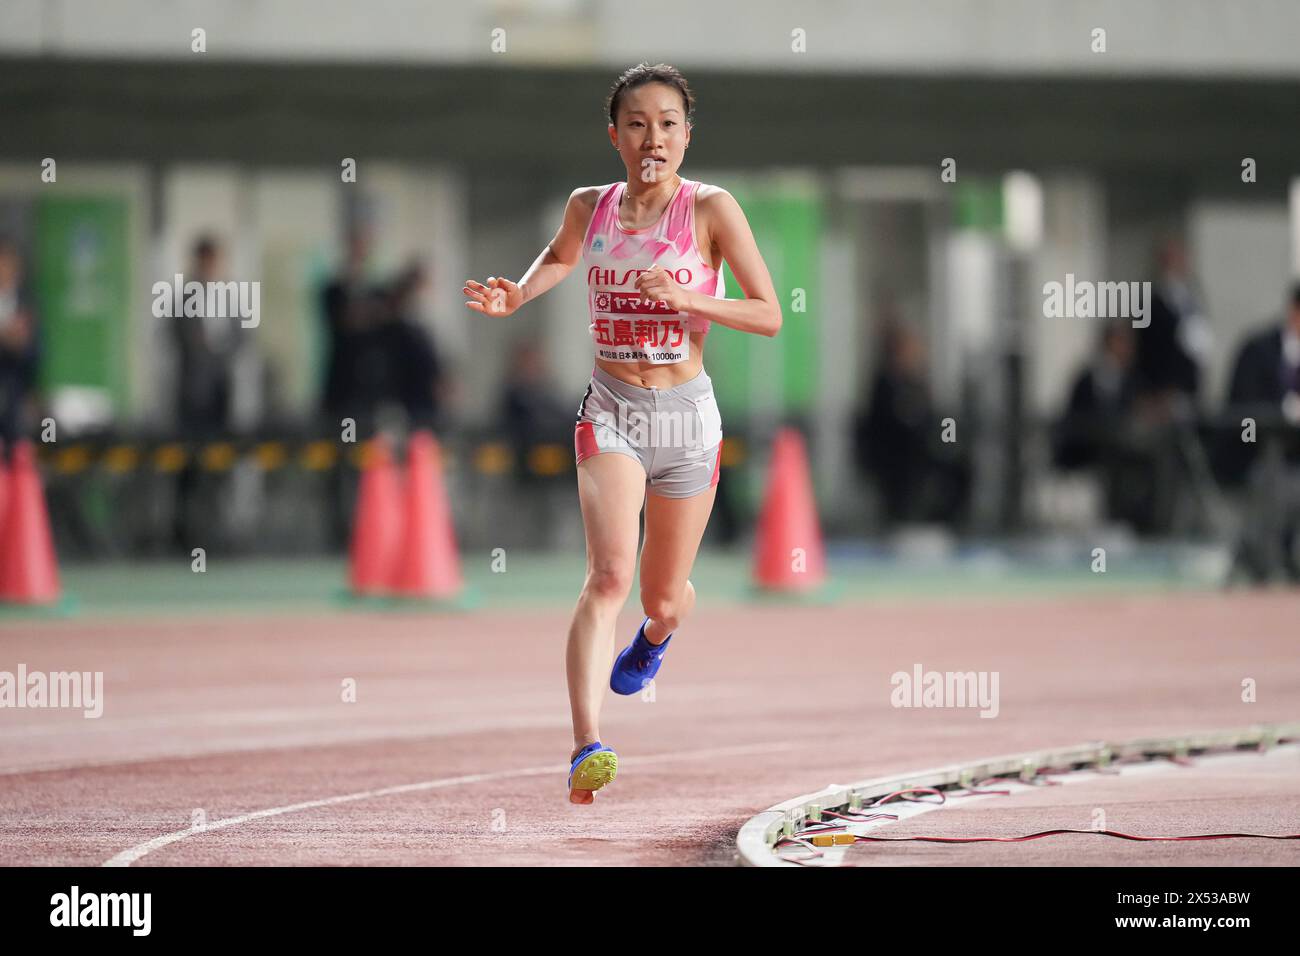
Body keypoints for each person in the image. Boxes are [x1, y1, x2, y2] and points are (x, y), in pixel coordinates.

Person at [464, 63, 781, 803]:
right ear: (615, 135)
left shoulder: (711, 211)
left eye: (668, 124)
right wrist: (520, 290)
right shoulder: (589, 206)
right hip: (610, 410)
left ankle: (657, 639)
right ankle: (585, 746)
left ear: (687, 136)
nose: (653, 138)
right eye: (637, 123)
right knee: (608, 577)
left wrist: (689, 293)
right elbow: (561, 257)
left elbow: (768, 315)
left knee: (661, 598)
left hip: (689, 420)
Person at [0, 236, 40, 448]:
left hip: (14, 395)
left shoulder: (26, 302)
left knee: (17, 450)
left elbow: (36, 352)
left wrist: (21, 344)